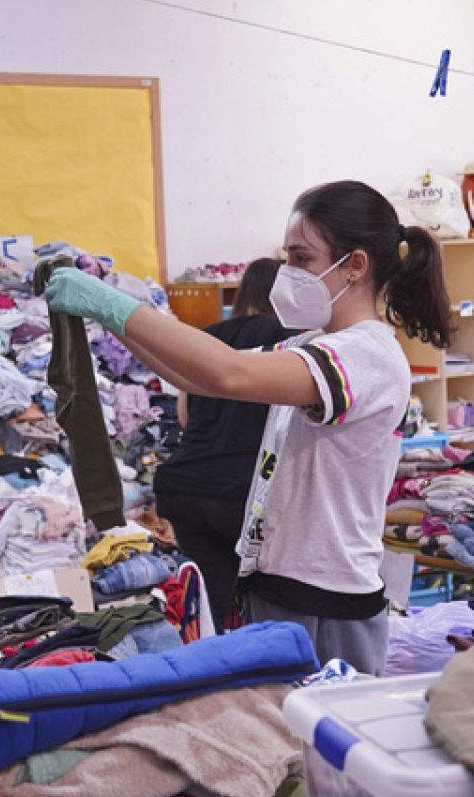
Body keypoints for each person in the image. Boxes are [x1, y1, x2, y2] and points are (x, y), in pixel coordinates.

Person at [47, 181, 451, 674]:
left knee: (319, 742)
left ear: (356, 264)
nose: (289, 273)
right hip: (278, 581)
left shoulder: (366, 354)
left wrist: (115, 306)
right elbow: (195, 376)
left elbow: (227, 372)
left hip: (327, 598)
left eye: (302, 259)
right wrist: (108, 316)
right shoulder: (313, 343)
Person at [153, 258, 296, 627]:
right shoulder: (293, 341)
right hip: (244, 490)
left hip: (185, 484)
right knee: (266, 604)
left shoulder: (208, 338)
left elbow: (185, 416)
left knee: (211, 606)